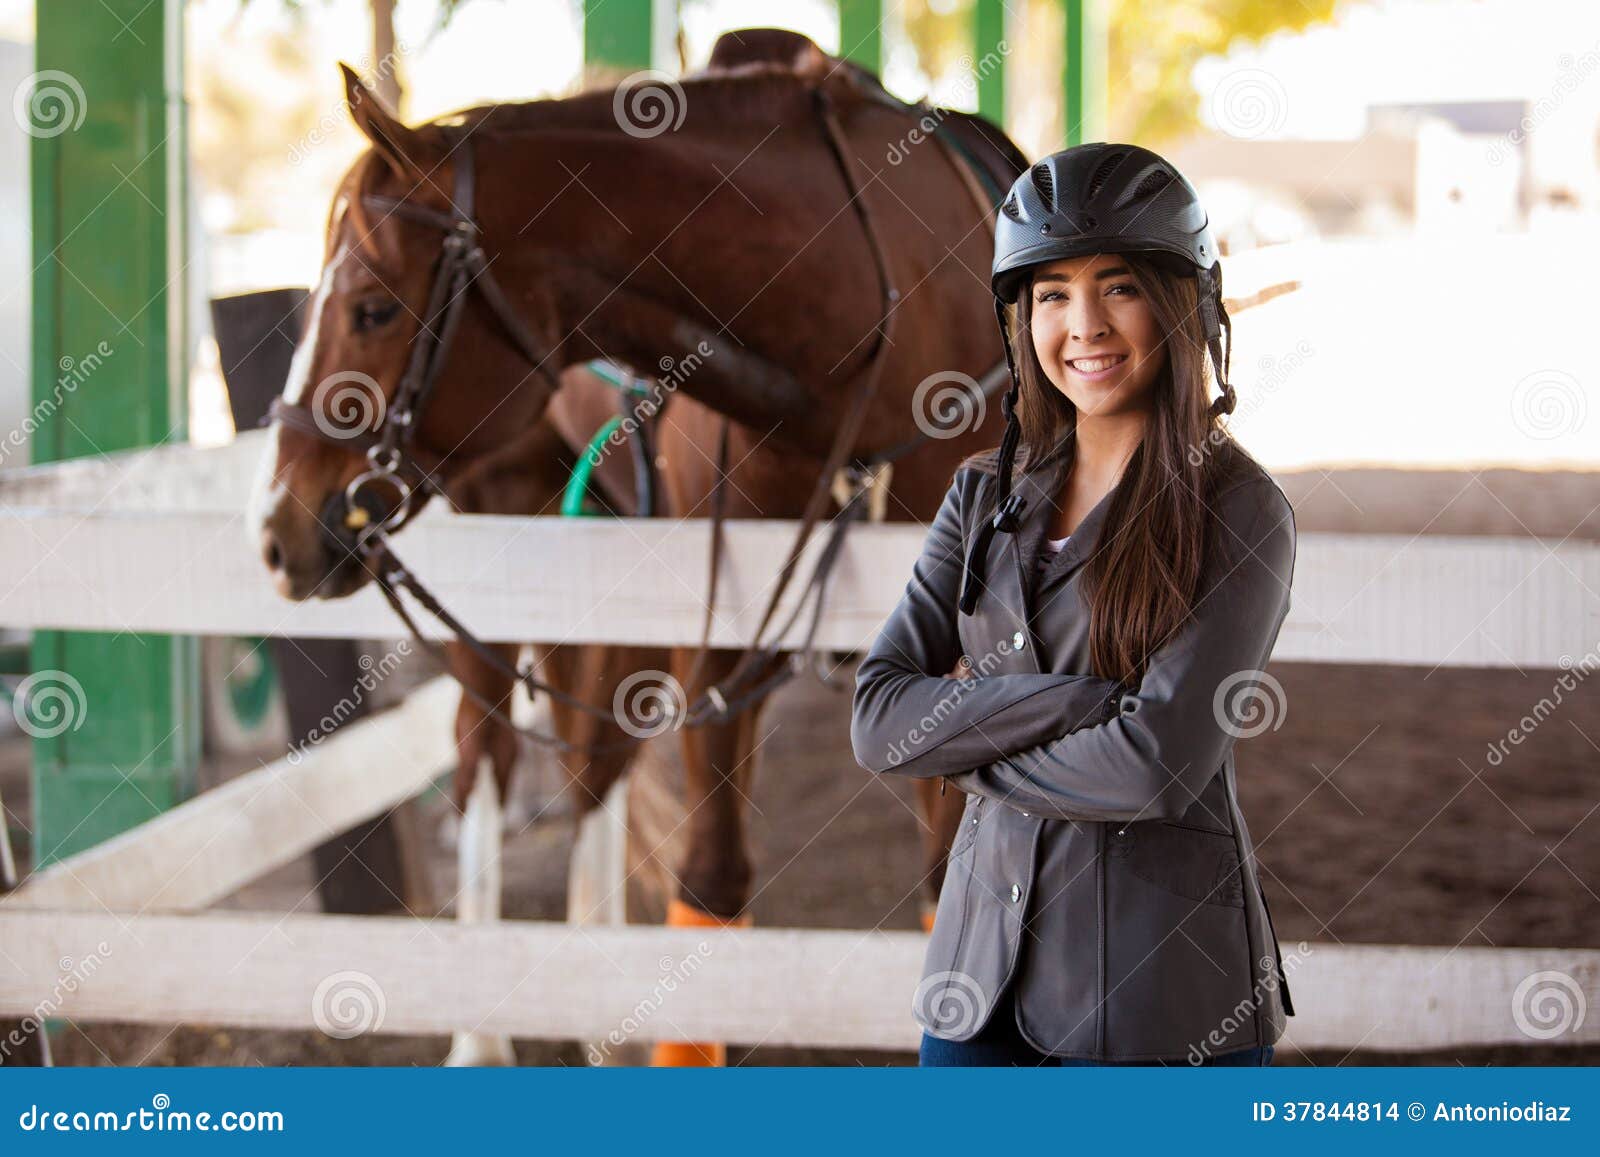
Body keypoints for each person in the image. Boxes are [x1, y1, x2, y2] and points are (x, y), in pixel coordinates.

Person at [850, 143, 1298, 1067]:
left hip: (1157, 1006)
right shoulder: (981, 493)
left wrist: (967, 747)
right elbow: (878, 719)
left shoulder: (1241, 509)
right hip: (974, 992)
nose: (1083, 324)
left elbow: (1153, 768)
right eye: (1052, 294)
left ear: (1183, 303)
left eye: (1119, 287)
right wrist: (1084, 703)